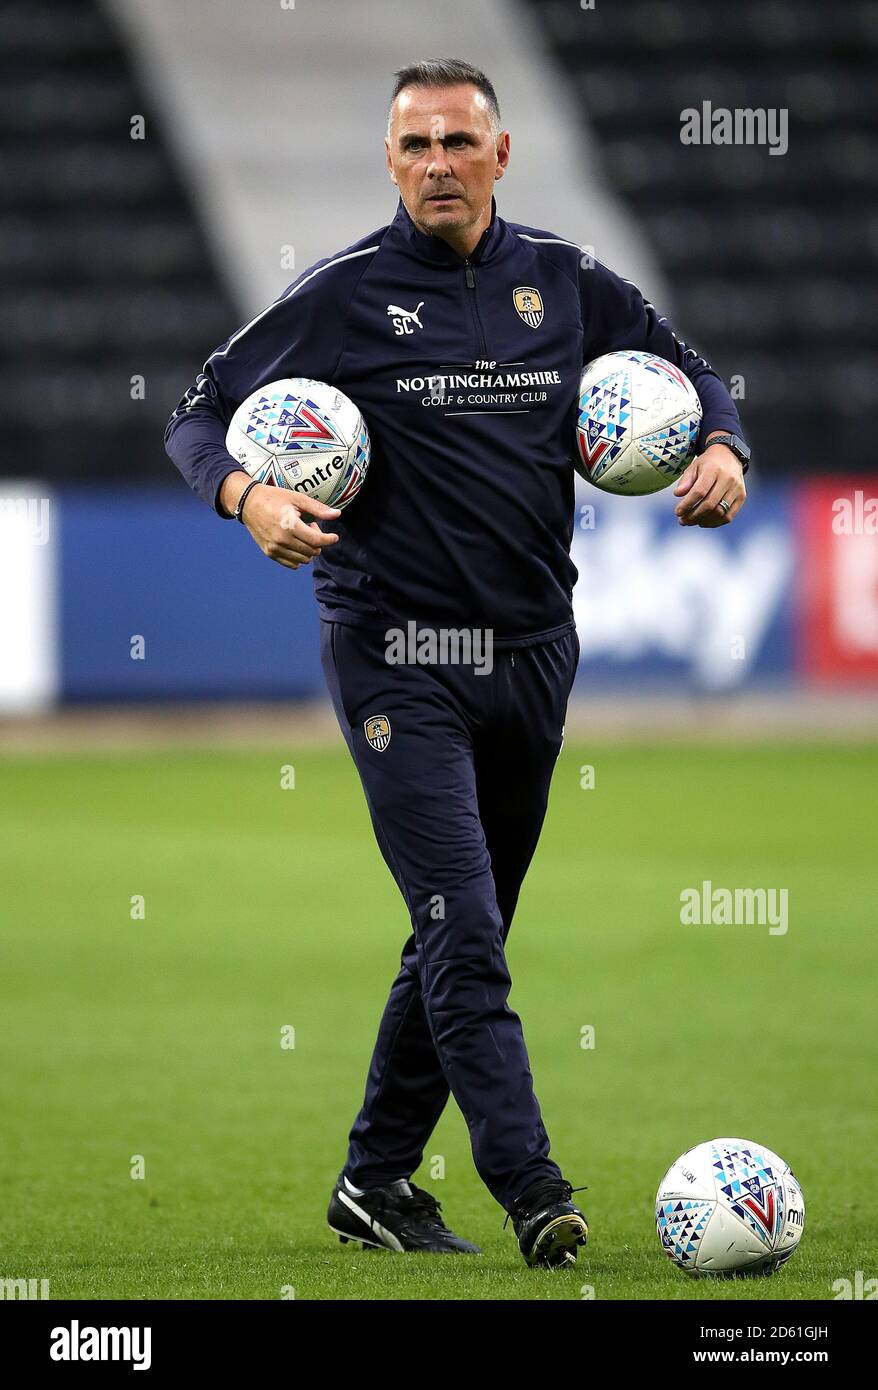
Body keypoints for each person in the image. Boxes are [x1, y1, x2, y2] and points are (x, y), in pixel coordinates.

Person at [165, 57, 749, 1268]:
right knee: (465, 927)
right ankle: (531, 1187)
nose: (437, 162)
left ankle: (374, 1180)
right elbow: (195, 411)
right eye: (415, 144)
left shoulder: (566, 282)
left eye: (458, 141)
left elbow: (693, 372)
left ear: (499, 155)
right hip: (394, 653)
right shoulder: (342, 296)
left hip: (531, 651)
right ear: (388, 161)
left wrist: (724, 446)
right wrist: (244, 494)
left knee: (456, 930)